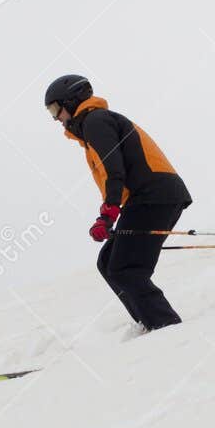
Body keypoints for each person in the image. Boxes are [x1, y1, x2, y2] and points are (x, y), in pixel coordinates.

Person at [44, 74, 192, 332]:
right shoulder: (94, 126)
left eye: (56, 109)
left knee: (125, 268)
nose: (56, 118)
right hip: (152, 196)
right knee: (109, 261)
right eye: (51, 112)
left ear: (71, 101)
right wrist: (110, 213)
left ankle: (166, 327)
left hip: (155, 195)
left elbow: (114, 169)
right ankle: (148, 323)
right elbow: (114, 174)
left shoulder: (95, 121)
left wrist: (108, 214)